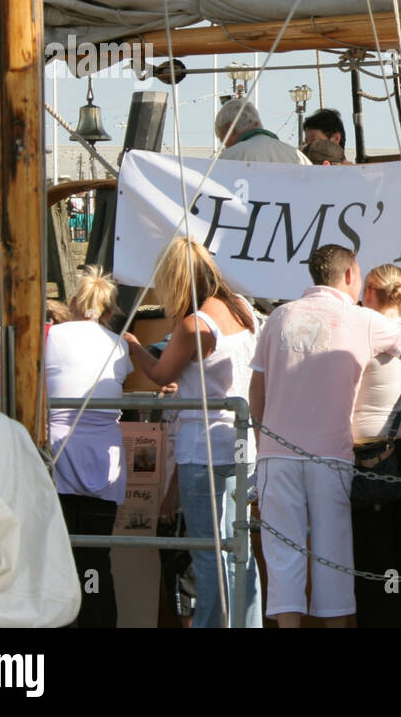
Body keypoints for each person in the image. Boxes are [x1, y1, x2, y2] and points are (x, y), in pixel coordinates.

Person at [249, 245, 401, 628]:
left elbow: (257, 390)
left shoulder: (279, 317)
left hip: (276, 453)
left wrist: (261, 435)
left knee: (283, 554)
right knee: (334, 553)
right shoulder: (360, 320)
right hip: (329, 456)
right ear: (350, 274)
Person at [123, 237, 263, 628]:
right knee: (240, 552)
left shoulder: (194, 324)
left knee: (208, 553)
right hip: (241, 443)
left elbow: (160, 373)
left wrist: (135, 347)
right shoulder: (242, 309)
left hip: (203, 448)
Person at [45, 267, 131, 628]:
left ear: (73, 303)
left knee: (56, 557)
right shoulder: (120, 344)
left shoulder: (51, 336)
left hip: (56, 459)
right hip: (104, 465)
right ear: (109, 312)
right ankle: (98, 620)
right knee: (94, 560)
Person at [351, 264, 401, 628]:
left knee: (371, 552)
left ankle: (377, 622)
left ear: (369, 290)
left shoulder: (368, 332)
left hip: (372, 454)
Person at [214, 98, 310, 165]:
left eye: (224, 142)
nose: (226, 147)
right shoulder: (298, 156)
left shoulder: (230, 157)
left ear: (231, 130)